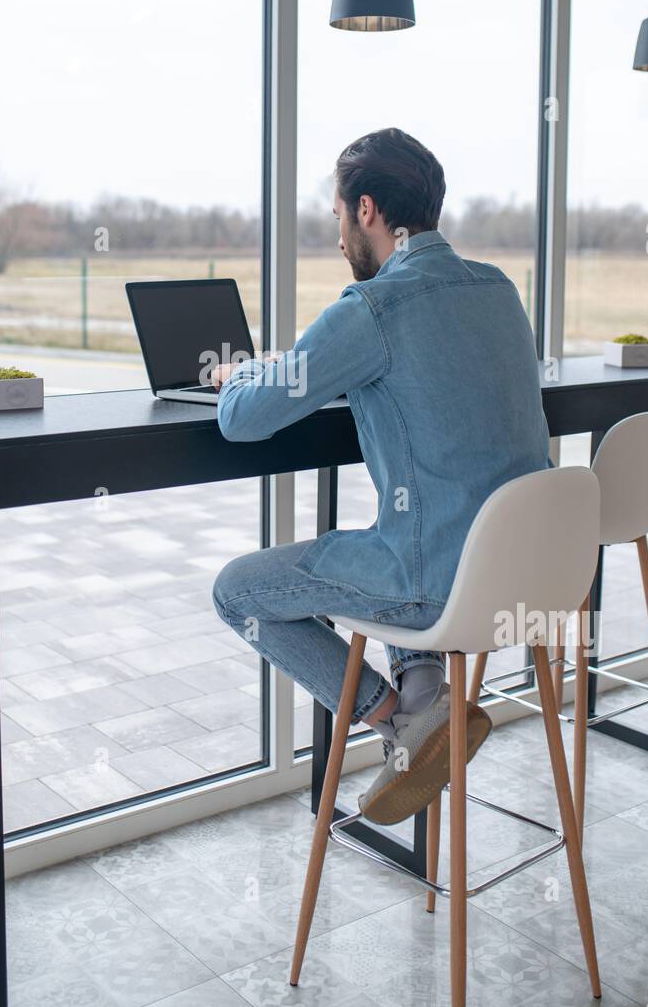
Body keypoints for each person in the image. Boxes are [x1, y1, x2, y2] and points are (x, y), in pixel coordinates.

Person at [211, 127, 551, 823]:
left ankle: (397, 720)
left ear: (366, 210)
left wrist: (241, 373)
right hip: (529, 576)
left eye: (337, 217)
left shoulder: (372, 308)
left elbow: (244, 418)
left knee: (238, 593)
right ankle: (428, 700)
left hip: (436, 586)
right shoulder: (498, 289)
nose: (338, 237)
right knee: (394, 531)